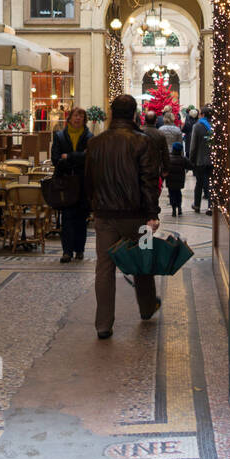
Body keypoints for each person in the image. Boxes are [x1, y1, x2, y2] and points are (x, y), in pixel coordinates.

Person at [84, 94, 161, 338]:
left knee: (104, 268)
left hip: (105, 215)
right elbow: (149, 180)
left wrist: (94, 206)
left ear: (111, 112)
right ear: (134, 113)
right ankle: (147, 307)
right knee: (143, 262)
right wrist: (152, 214)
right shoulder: (142, 141)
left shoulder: (95, 143)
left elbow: (88, 180)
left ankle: (103, 324)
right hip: (137, 216)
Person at [51, 107, 93, 262]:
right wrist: (76, 160)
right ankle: (67, 251)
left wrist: (68, 156)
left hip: (82, 182)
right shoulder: (60, 136)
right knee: (67, 217)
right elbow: (56, 159)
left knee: (81, 218)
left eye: (81, 116)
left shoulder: (89, 136)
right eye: (76, 115)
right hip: (66, 182)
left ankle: (80, 249)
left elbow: (89, 158)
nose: (78, 119)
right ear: (70, 118)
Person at [189, 104, 215, 215]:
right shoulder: (215, 125)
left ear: (202, 114)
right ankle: (210, 207)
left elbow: (193, 145)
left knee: (199, 183)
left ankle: (197, 205)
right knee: (211, 184)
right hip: (213, 160)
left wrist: (191, 159)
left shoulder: (198, 126)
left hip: (200, 160)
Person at [141, 107, 171, 182]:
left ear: (145, 120)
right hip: (155, 167)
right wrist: (166, 169)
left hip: (141, 166)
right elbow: (165, 153)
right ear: (156, 121)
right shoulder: (160, 134)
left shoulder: (139, 132)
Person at [165, 140, 188, 217]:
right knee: (178, 193)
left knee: (172, 194)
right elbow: (190, 166)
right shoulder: (183, 159)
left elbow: (163, 167)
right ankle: (180, 208)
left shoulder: (168, 158)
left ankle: (174, 209)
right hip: (179, 181)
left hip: (170, 181)